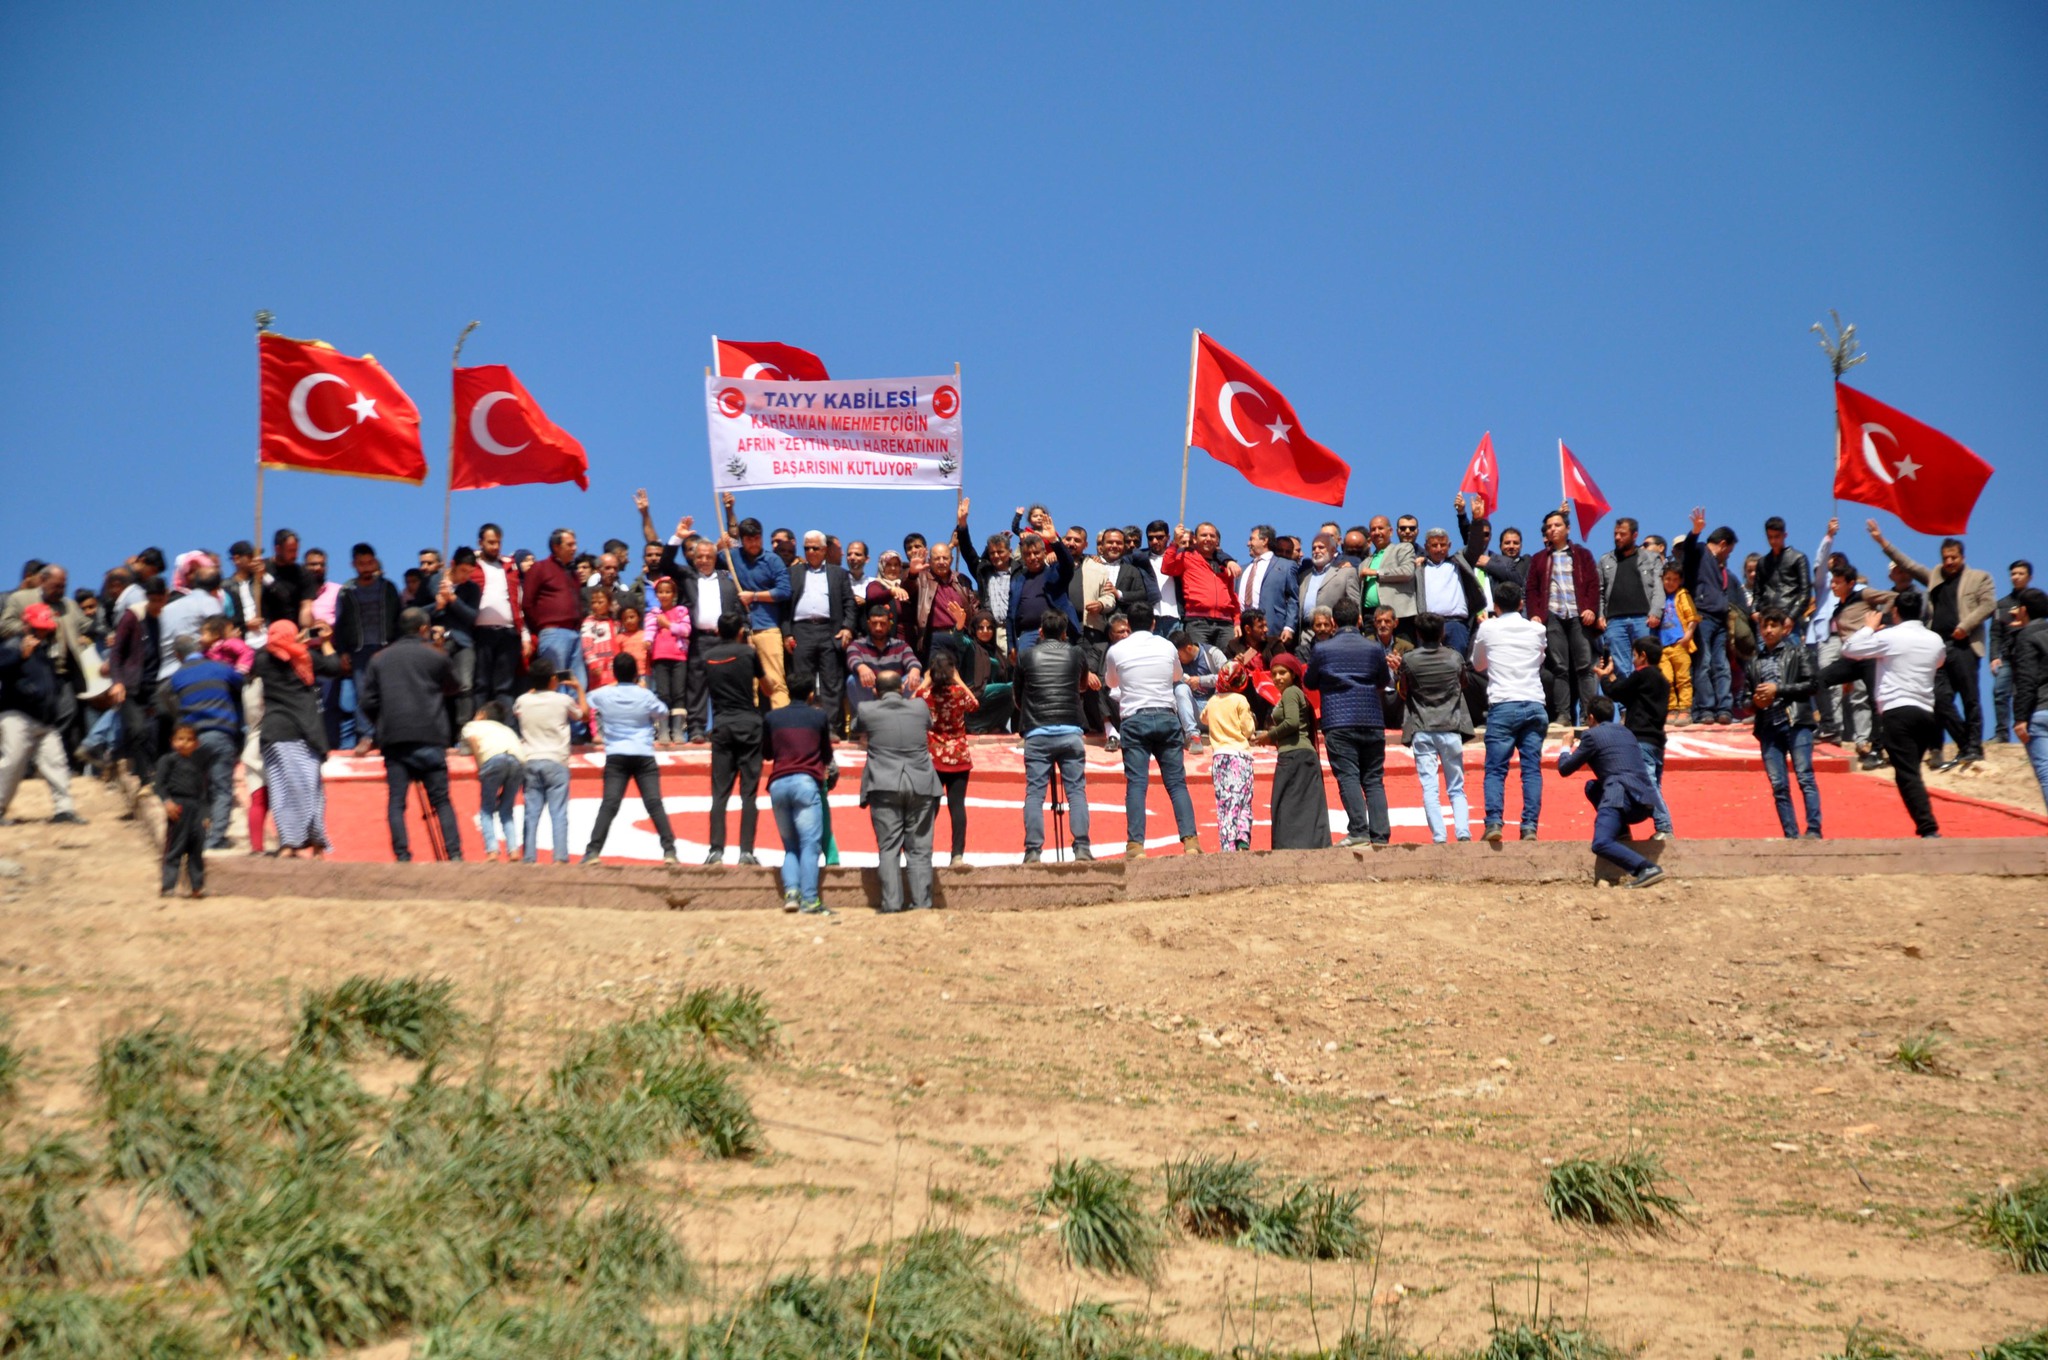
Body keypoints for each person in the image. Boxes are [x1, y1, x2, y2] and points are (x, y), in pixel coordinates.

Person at [1866, 521, 1997, 768]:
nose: (1949, 562)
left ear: (1962, 557)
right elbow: (1909, 565)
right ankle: (1964, 744)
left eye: (1953, 557)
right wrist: (1882, 541)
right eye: (1946, 558)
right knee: (1938, 698)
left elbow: (1989, 605)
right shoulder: (1936, 576)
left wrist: (1965, 626)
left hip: (1965, 646)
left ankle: (1974, 748)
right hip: (1938, 648)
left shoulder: (1979, 578)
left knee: (1970, 697)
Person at [357, 608, 464, 862]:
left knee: (397, 801)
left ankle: (402, 856)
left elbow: (367, 702)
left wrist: (382, 722)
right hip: (431, 736)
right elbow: (455, 686)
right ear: (424, 629)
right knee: (441, 800)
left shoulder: (379, 658)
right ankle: (455, 855)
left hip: (394, 738)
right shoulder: (436, 656)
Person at [1842, 590, 1947, 838]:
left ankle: (1929, 828)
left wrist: (1869, 628)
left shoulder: (1890, 636)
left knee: (1907, 774)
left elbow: (1850, 649)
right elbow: (1939, 661)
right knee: (1910, 772)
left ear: (1896, 611)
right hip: (1926, 713)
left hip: (1897, 712)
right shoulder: (1935, 639)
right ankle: (1926, 827)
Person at [1104, 601, 1201, 858]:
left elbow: (1111, 682)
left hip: (1135, 720)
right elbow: (1177, 676)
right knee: (1177, 783)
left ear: (1128, 624)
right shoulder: (1167, 646)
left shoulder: (1116, 650)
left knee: (1137, 784)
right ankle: (1191, 841)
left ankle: (1136, 845)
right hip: (1166, 716)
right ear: (1153, 623)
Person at [1305, 597, 1391, 848]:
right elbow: (1383, 680)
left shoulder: (1322, 649)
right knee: (1373, 779)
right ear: (1360, 620)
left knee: (1349, 776)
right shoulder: (1374, 648)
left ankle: (1359, 831)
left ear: (1333, 622)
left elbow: (1309, 681)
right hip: (1372, 718)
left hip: (1338, 719)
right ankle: (1380, 835)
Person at [853, 671, 943, 912]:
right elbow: (929, 724)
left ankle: (891, 904)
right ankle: (921, 903)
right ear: (902, 688)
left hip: (884, 783)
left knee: (889, 848)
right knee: (920, 849)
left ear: (875, 690)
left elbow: (855, 727)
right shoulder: (920, 707)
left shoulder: (867, 709)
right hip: (921, 783)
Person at [580, 652, 679, 865]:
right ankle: (669, 851)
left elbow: (585, 703)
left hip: (616, 755)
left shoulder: (603, 694)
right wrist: (641, 691)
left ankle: (593, 852)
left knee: (610, 804)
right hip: (643, 754)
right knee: (654, 803)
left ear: (614, 673)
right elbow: (662, 712)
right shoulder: (645, 695)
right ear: (635, 673)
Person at [1556, 696, 1666, 888]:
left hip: (1619, 797)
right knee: (1592, 787)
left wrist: (1566, 746)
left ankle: (1646, 868)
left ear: (1591, 718)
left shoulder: (1592, 736)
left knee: (1601, 843)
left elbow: (1565, 768)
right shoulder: (1626, 732)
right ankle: (1622, 833)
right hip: (1644, 803)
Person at [253, 619, 341, 857]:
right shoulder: (305, 657)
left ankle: (288, 843)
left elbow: (269, 648)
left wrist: (290, 641)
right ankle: (313, 844)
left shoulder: (262, 659)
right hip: (303, 732)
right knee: (308, 788)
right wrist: (325, 642)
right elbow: (334, 666)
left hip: (273, 733)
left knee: (282, 788)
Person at [1015, 608, 1094, 862]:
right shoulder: (1076, 653)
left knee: (1034, 793)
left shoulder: (1026, 656)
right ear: (1064, 633)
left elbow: (1018, 696)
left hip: (1037, 732)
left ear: (1040, 632)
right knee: (1076, 792)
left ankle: (1033, 851)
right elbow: (1083, 685)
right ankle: (1082, 847)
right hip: (1070, 730)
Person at [1472, 580, 1548, 842]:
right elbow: (1540, 659)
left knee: (1495, 769)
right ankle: (1529, 827)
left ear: (1495, 606)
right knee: (1531, 770)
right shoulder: (1537, 629)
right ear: (1521, 604)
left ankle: (1494, 822)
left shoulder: (1488, 627)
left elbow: (1478, 665)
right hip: (1534, 702)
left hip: (1504, 703)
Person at [0, 604, 84, 826]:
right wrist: (20, 656)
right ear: (26, 625)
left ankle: (64, 811)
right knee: (12, 762)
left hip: (45, 720)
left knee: (56, 762)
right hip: (17, 715)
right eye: (39, 628)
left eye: (45, 628)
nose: (43, 632)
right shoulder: (12, 645)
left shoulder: (43, 651)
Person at [159, 631, 243, 849]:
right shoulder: (220, 667)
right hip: (222, 734)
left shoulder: (177, 676)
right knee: (221, 788)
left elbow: (163, 694)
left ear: (178, 655)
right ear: (199, 649)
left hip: (192, 740)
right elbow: (241, 681)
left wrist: (179, 715)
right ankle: (215, 839)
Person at [1523, 509, 1601, 727]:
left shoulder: (1582, 555)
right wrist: (1535, 613)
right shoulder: (1540, 558)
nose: (1553, 529)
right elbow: (1531, 589)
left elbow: (1593, 584)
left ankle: (1588, 716)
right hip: (1553, 615)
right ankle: (1563, 715)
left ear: (1567, 528)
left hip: (1579, 615)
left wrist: (1591, 609)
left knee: (1585, 667)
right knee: (1559, 668)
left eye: (1557, 525)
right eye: (1549, 527)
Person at [1748, 608, 1822, 839]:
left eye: (1773, 625)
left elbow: (1812, 684)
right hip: (1768, 727)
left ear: (1784, 629)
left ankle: (1814, 829)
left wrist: (1777, 689)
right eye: (1764, 626)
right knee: (1778, 784)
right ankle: (1791, 835)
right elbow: (1743, 698)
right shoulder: (1754, 661)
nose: (1768, 630)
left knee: (1804, 776)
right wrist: (1755, 702)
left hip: (1796, 722)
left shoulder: (1798, 652)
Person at [1401, 612, 1474, 844]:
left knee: (1429, 787)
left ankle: (1439, 836)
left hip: (1423, 728)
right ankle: (1463, 832)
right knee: (1456, 787)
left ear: (1418, 634)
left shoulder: (1410, 660)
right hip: (1451, 727)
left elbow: (1404, 691)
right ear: (1442, 633)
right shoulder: (1454, 657)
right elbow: (1464, 683)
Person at [764, 672, 834, 913]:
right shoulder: (819, 716)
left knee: (790, 846)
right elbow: (826, 753)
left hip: (778, 784)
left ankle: (792, 893)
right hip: (806, 782)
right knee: (809, 845)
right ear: (811, 694)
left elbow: (767, 753)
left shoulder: (772, 717)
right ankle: (810, 899)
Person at [1594, 636, 1674, 839]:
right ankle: (1635, 827)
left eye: (1635, 655)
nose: (1633, 659)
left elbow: (1616, 692)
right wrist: (1611, 676)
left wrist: (1604, 677)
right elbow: (1626, 693)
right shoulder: (1661, 680)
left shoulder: (1641, 675)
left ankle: (1664, 826)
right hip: (1657, 741)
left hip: (1641, 740)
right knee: (1654, 783)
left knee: (1648, 784)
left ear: (1643, 656)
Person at [701, 612, 764, 866]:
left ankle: (715, 850)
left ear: (718, 631)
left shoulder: (707, 657)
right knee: (749, 794)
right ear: (740, 631)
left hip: (722, 725)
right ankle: (746, 852)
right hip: (750, 724)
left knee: (720, 794)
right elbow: (767, 686)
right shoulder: (748, 653)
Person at [1677, 509, 1745, 725]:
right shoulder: (1699, 551)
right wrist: (1695, 531)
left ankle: (1724, 708)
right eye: (1729, 551)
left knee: (1722, 665)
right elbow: (1688, 548)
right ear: (1723, 544)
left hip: (1720, 619)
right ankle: (1705, 708)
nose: (1728, 556)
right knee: (1703, 663)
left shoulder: (1720, 566)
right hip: (1703, 617)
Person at [723, 509, 793, 709]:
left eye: (757, 539)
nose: (754, 543)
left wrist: (753, 596)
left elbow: (784, 591)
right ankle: (748, 721)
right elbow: (706, 560)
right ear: (742, 540)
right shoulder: (732, 556)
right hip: (741, 631)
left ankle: (782, 720)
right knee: (746, 683)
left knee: (775, 679)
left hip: (767, 628)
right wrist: (720, 545)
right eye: (749, 540)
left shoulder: (773, 560)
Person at [784, 530, 857, 719]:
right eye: (807, 548)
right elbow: (784, 606)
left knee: (831, 682)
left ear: (824, 550)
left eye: (815, 548)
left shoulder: (839, 574)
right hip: (801, 631)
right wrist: (787, 633)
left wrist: (847, 628)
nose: (810, 552)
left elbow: (849, 603)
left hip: (830, 631)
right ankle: (801, 724)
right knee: (801, 681)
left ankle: (830, 726)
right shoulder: (793, 573)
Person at [1260, 651, 1329, 849]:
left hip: (1293, 756)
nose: (1277, 678)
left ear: (1293, 674)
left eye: (1282, 673)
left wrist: (1269, 735)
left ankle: (1289, 847)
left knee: (1285, 805)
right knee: (1305, 804)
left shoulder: (1290, 693)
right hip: (1301, 756)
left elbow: (1291, 723)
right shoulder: (1295, 693)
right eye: (1274, 674)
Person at [917, 648, 980, 866]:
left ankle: (923, 852)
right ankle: (957, 854)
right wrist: (959, 680)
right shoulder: (958, 693)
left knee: (930, 807)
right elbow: (975, 704)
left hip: (934, 757)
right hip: (959, 756)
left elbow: (912, 701)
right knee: (957, 806)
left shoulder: (927, 696)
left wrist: (926, 681)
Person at [516, 666, 584, 864]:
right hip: (556, 760)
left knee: (531, 813)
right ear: (554, 679)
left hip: (531, 759)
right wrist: (579, 689)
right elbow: (583, 715)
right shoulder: (563, 700)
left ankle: (529, 857)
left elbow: (518, 710)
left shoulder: (522, 701)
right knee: (558, 812)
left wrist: (536, 687)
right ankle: (560, 857)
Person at [1596, 517, 1664, 681]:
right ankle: (1626, 699)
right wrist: (1600, 615)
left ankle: (1646, 696)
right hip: (1614, 622)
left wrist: (1656, 611)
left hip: (1644, 620)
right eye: (1615, 534)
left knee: (1647, 664)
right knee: (1620, 669)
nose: (1618, 537)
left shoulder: (1651, 558)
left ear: (1634, 535)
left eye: (1622, 534)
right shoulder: (1605, 560)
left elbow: (1658, 587)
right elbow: (1599, 591)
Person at [525, 528, 589, 693]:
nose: (574, 548)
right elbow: (527, 603)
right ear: (556, 547)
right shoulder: (540, 568)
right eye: (570, 544)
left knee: (578, 684)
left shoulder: (573, 574)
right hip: (553, 633)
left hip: (575, 634)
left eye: (575, 544)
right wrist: (543, 627)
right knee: (555, 683)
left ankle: (576, 712)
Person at [470, 523, 526, 709]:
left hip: (509, 633)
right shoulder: (471, 564)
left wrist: (524, 634)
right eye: (491, 542)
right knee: (481, 684)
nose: (495, 547)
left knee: (505, 687)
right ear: (481, 543)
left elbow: (518, 600)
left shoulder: (509, 566)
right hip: (481, 633)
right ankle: (479, 723)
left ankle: (507, 724)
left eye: (498, 543)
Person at [1161, 522, 1239, 652]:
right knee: (1201, 660)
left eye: (1212, 536)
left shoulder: (1225, 564)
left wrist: (1237, 621)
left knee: (1228, 661)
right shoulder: (1186, 557)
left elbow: (1232, 595)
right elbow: (1167, 568)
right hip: (1197, 622)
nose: (1208, 539)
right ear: (1195, 539)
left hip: (1225, 623)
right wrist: (1174, 543)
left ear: (1217, 540)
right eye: (1204, 535)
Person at [462, 701, 525, 861]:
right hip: (517, 763)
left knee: (486, 809)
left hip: (493, 761)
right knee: (506, 810)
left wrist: (480, 766)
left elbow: (472, 742)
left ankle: (492, 850)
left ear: (482, 714)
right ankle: (513, 850)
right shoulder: (508, 730)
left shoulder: (472, 726)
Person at [154, 723, 210, 897]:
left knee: (196, 849)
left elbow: (203, 792)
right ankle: (168, 886)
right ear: (172, 741)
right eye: (180, 739)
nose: (184, 743)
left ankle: (197, 887)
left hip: (196, 808)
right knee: (175, 847)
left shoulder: (198, 763)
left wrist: (206, 814)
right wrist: (167, 802)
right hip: (178, 807)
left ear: (196, 744)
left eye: (189, 740)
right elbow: (159, 785)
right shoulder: (168, 760)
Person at [2006, 587, 2048, 808]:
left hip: (2039, 711)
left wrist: (2021, 717)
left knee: (2046, 772)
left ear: (2024, 610)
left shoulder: (2027, 637)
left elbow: (2026, 680)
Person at [1204, 685, 1256, 851]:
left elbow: (1203, 718)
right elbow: (1248, 729)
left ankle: (1228, 846)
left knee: (1225, 804)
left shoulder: (1212, 701)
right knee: (1244, 799)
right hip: (1240, 757)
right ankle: (1242, 838)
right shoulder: (1240, 700)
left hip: (1220, 757)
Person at [845, 604, 923, 714]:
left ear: (889, 625)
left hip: (896, 692)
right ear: (868, 624)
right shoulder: (857, 645)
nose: (878, 628)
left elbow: (912, 661)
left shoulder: (900, 645)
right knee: (852, 680)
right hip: (871, 693)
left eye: (882, 624)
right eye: (874, 623)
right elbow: (853, 659)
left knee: (917, 679)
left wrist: (915, 670)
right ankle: (865, 718)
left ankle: (904, 715)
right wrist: (861, 667)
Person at [1990, 560, 2034, 744]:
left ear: (2029, 577)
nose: (2016, 577)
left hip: (2030, 657)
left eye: (2020, 574)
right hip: (2008, 657)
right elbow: (1995, 633)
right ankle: (2002, 733)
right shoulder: (2002, 604)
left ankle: (2029, 734)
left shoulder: (2036, 602)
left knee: (2025, 695)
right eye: (2013, 574)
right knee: (2000, 692)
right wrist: (1994, 656)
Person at [645, 576, 692, 745]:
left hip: (679, 657)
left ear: (674, 594)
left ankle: (678, 730)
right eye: (660, 592)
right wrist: (648, 641)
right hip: (659, 656)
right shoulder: (653, 614)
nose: (664, 595)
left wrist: (668, 625)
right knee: (663, 693)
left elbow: (686, 630)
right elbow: (649, 630)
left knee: (679, 693)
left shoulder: (681, 611)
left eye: (667, 592)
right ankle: (663, 729)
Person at [1655, 561, 1696, 726]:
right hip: (1662, 646)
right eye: (1667, 579)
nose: (1670, 582)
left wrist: (1688, 636)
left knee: (1683, 678)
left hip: (1679, 644)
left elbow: (1692, 616)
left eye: (1674, 579)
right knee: (1666, 679)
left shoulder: (1682, 594)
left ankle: (1685, 709)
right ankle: (1671, 708)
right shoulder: (1659, 598)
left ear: (1680, 581)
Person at [961, 611, 1014, 734]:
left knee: (1014, 693)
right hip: (976, 692)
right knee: (1010, 688)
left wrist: (1013, 665)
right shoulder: (971, 646)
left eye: (989, 628)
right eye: (981, 628)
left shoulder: (996, 652)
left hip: (993, 694)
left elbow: (1005, 674)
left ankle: (994, 726)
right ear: (975, 629)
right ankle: (974, 726)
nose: (985, 631)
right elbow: (959, 640)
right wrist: (958, 626)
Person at [580, 587, 622, 690]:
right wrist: (592, 663)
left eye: (600, 602)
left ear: (609, 604)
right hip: (599, 667)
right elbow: (586, 644)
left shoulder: (616, 623)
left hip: (615, 666)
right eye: (593, 602)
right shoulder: (590, 621)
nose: (596, 606)